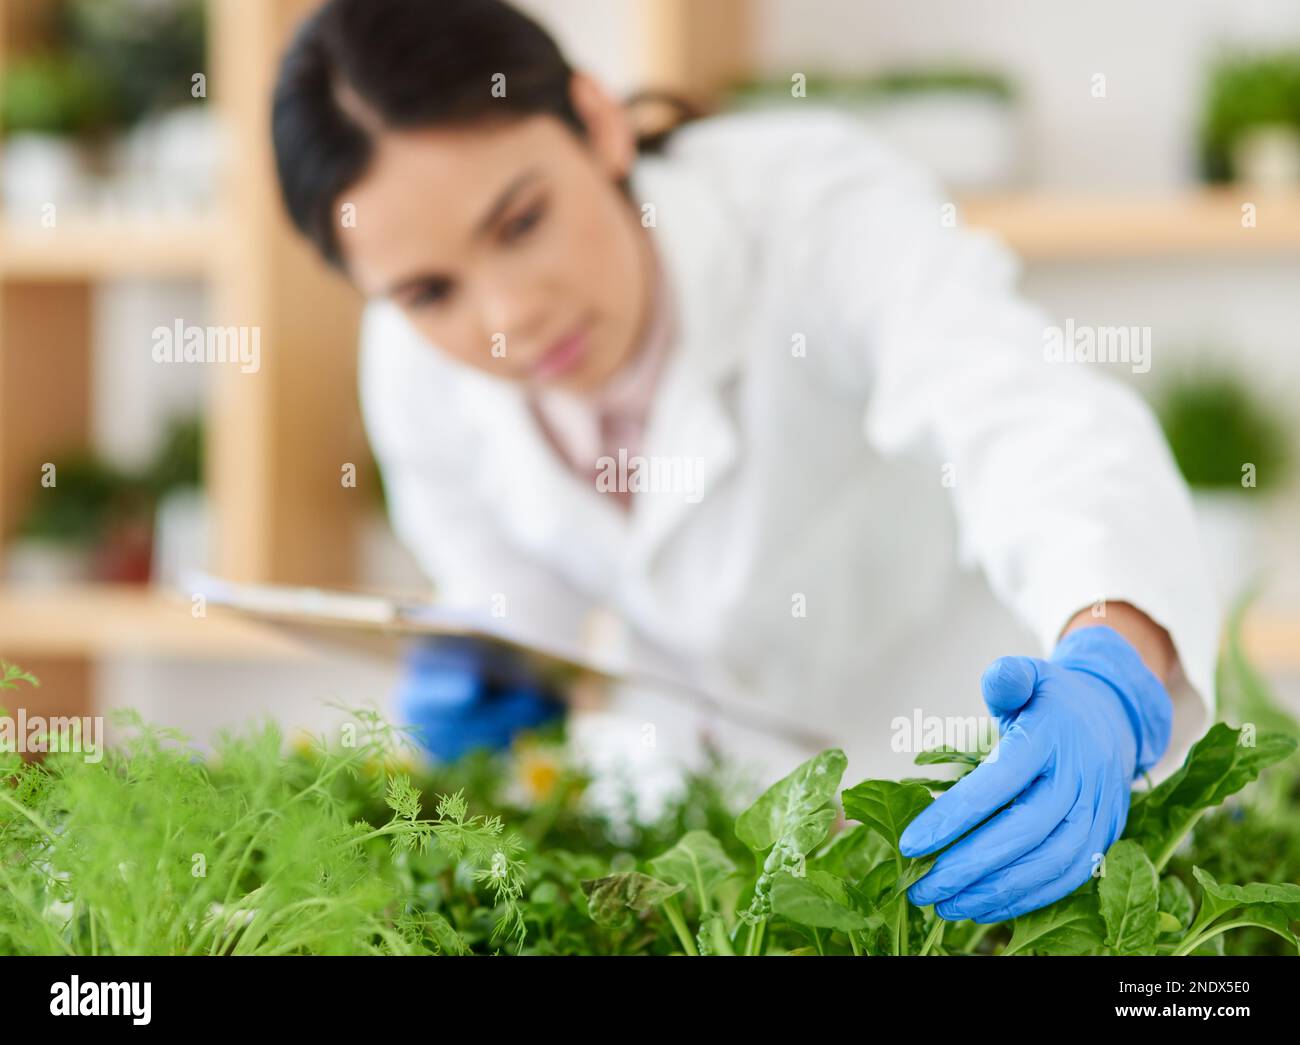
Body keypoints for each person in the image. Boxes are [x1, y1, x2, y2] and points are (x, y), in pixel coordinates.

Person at [270, 0, 1219, 924]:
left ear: (596, 123)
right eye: (430, 291)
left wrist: (1107, 667)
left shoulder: (812, 206)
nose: (507, 315)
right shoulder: (410, 365)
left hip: (966, 772)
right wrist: (490, 664)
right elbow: (512, 588)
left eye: (521, 222)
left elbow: (1025, 415)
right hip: (694, 825)